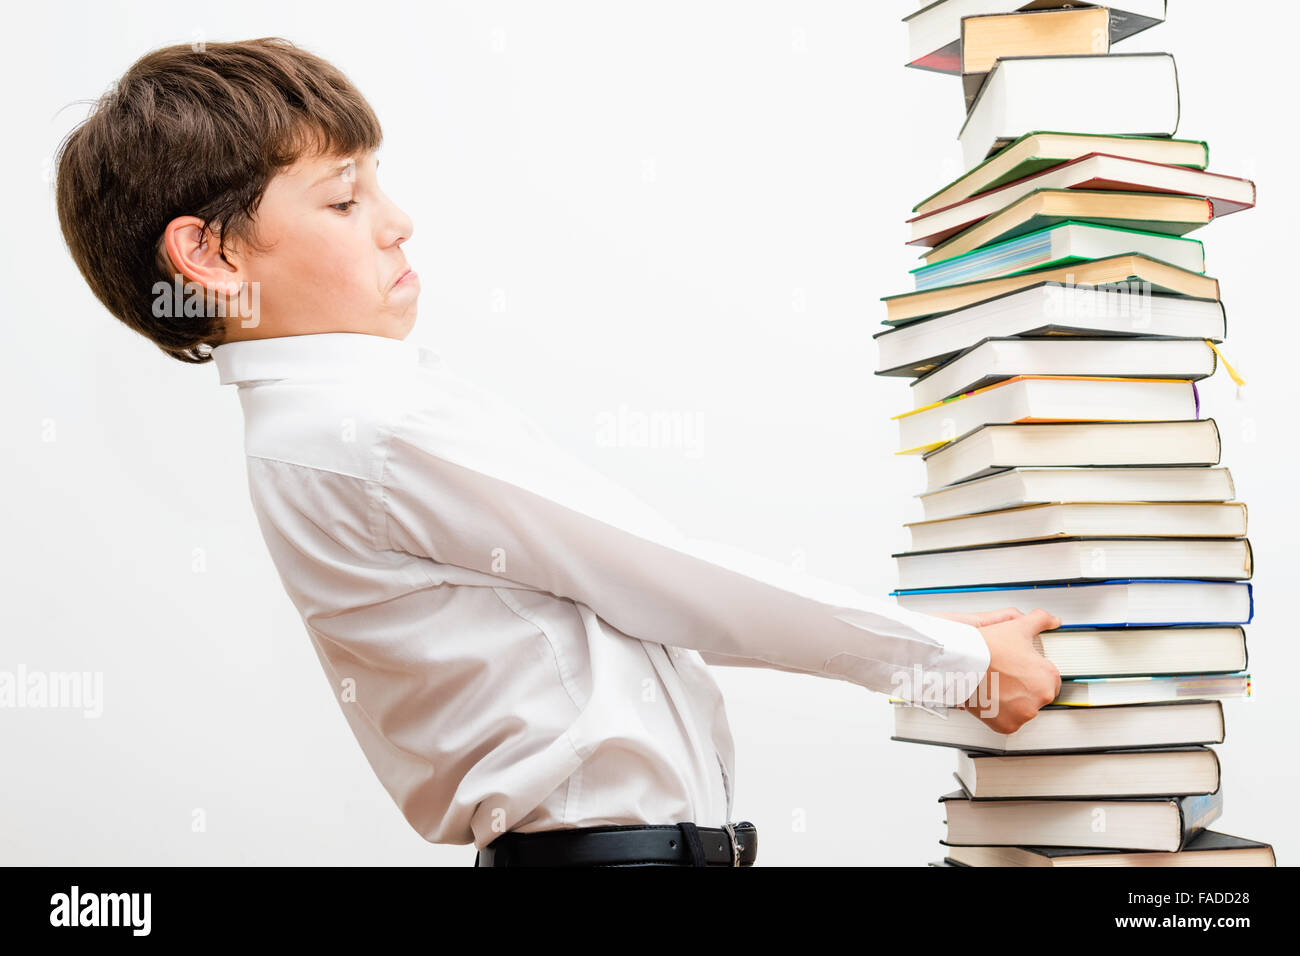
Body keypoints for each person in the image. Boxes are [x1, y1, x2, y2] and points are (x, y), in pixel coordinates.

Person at [53, 37, 1061, 867]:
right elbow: (669, 580)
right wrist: (953, 665)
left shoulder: (328, 423)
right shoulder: (362, 427)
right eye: (344, 199)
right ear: (210, 254)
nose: (398, 222)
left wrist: (937, 645)